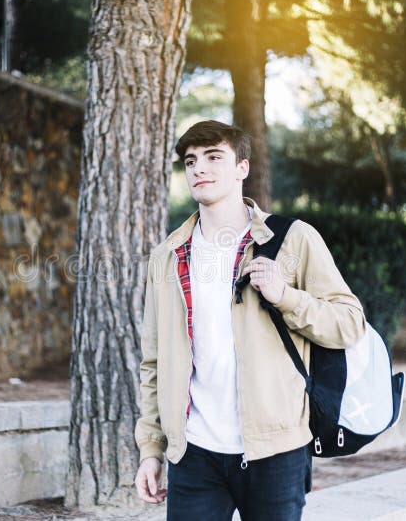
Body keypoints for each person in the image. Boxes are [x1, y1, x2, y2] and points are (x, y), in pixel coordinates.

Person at [134, 120, 367, 520]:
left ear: (242, 168)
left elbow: (349, 323)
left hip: (274, 451)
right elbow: (154, 363)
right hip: (193, 454)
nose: (199, 169)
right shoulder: (169, 255)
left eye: (213, 157)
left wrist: (286, 296)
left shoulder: (292, 239)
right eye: (191, 161)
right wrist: (151, 449)